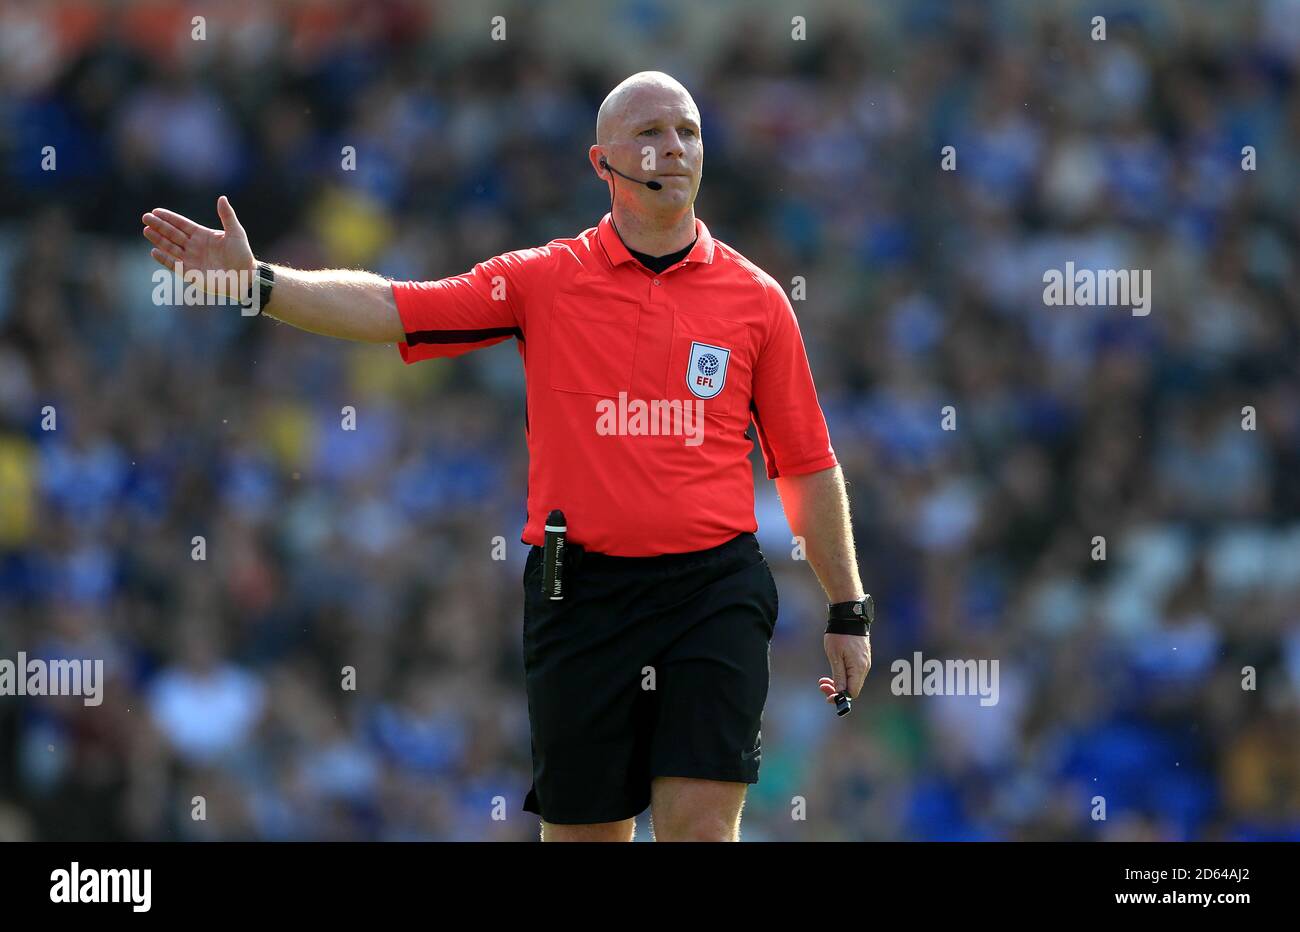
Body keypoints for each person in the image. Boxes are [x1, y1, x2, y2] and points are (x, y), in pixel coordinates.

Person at [141, 71, 873, 842]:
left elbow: (807, 464)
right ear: (603, 163)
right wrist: (259, 284)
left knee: (698, 827)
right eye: (651, 133)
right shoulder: (543, 280)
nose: (674, 148)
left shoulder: (757, 300)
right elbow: (398, 307)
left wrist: (847, 606)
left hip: (714, 589)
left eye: (688, 132)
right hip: (581, 593)